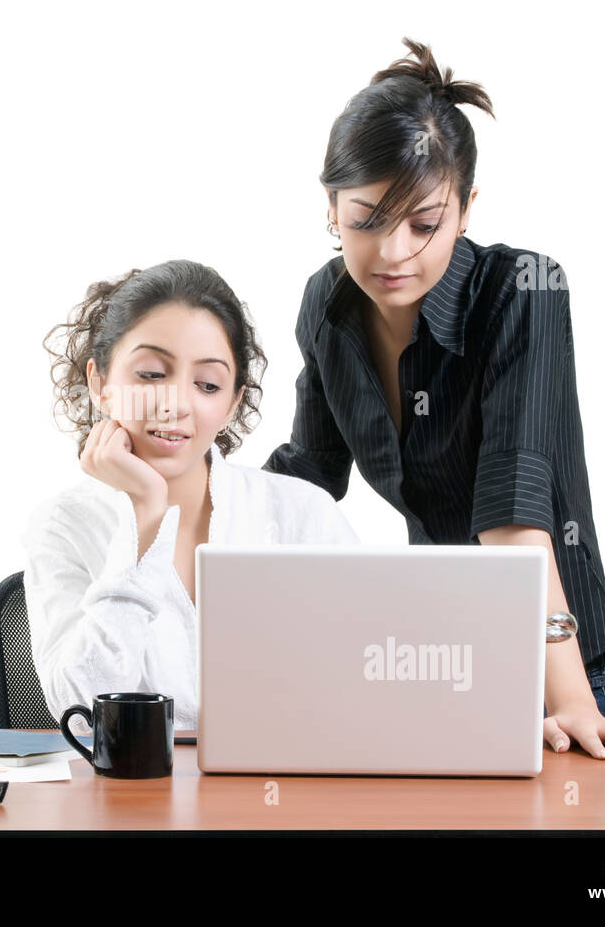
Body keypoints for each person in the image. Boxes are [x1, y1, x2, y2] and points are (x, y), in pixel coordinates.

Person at [263, 37, 605, 761]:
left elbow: (515, 508)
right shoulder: (326, 305)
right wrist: (180, 495)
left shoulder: (524, 291)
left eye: (425, 223)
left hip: (552, 656)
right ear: (329, 205)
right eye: (365, 220)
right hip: (436, 648)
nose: (392, 253)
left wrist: (571, 700)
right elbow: (307, 482)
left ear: (466, 208)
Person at [23, 260, 359, 734]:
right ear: (99, 384)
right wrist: (145, 516)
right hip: (133, 798)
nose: (176, 404)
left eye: (207, 385)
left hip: (284, 795)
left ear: (232, 403)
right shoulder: (64, 526)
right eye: (151, 374)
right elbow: (80, 710)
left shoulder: (301, 514)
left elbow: (365, 688)